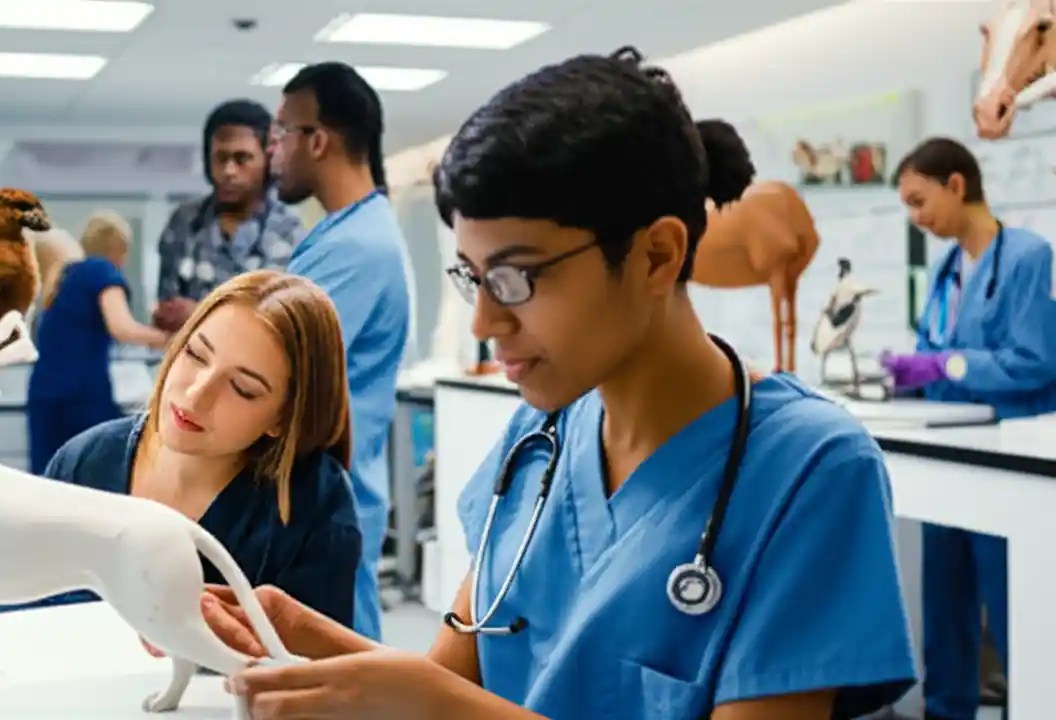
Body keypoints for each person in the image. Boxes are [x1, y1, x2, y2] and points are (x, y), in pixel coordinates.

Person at [192, 47, 919, 720]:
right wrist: (295, 630)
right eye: (473, 278)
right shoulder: (537, 438)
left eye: (515, 278)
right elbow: (450, 677)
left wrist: (431, 702)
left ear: (657, 256)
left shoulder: (809, 471)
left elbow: (444, 703)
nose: (485, 321)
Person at [0, 270, 362, 628]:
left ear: (283, 418)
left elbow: (315, 665)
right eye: (195, 355)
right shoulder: (87, 461)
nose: (196, 395)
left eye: (242, 388)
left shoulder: (312, 505)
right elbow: (3, 615)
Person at [885, 136, 1056, 720]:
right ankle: (945, 710)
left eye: (919, 201)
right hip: (949, 454)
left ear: (956, 185)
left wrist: (948, 365)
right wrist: (908, 374)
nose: (916, 217)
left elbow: (1036, 360)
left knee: (1011, 603)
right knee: (945, 600)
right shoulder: (946, 269)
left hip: (1008, 458)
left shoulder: (1030, 258)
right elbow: (934, 347)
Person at [270, 61, 414, 642]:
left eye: (283, 132)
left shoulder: (357, 247)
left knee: (341, 660)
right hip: (330, 493)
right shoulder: (348, 232)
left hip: (331, 498)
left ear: (318, 140)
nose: (275, 150)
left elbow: (274, 362)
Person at [26, 211, 171, 474]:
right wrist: (169, 339)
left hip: (44, 393)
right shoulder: (101, 271)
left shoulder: (64, 275)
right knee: (95, 473)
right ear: (120, 249)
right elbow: (122, 328)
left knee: (48, 478)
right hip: (81, 395)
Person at [155, 99, 303, 332]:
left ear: (267, 160)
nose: (229, 171)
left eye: (242, 159)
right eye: (220, 158)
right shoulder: (185, 222)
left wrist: (200, 314)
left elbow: (281, 322)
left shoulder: (290, 232)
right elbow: (169, 313)